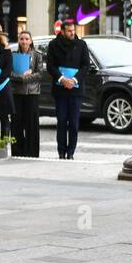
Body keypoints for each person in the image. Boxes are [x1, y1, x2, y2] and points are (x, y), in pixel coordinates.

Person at [47, 19, 90, 159]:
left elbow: (85, 66)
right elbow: (50, 65)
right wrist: (62, 79)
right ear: (63, 31)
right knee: (61, 121)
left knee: (73, 122)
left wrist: (74, 80)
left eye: (73, 30)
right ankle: (61, 151)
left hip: (76, 89)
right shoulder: (53, 45)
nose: (72, 33)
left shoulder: (81, 44)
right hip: (60, 89)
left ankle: (71, 152)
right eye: (69, 31)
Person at [9, 30, 43, 157]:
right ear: (18, 40)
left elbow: (40, 74)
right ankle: (17, 152)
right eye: (21, 38)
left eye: (26, 39)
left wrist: (25, 78)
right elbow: (10, 73)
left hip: (32, 93)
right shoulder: (13, 55)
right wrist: (21, 76)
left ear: (31, 41)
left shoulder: (37, 55)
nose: (24, 41)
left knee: (32, 124)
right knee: (16, 123)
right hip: (17, 93)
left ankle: (32, 152)